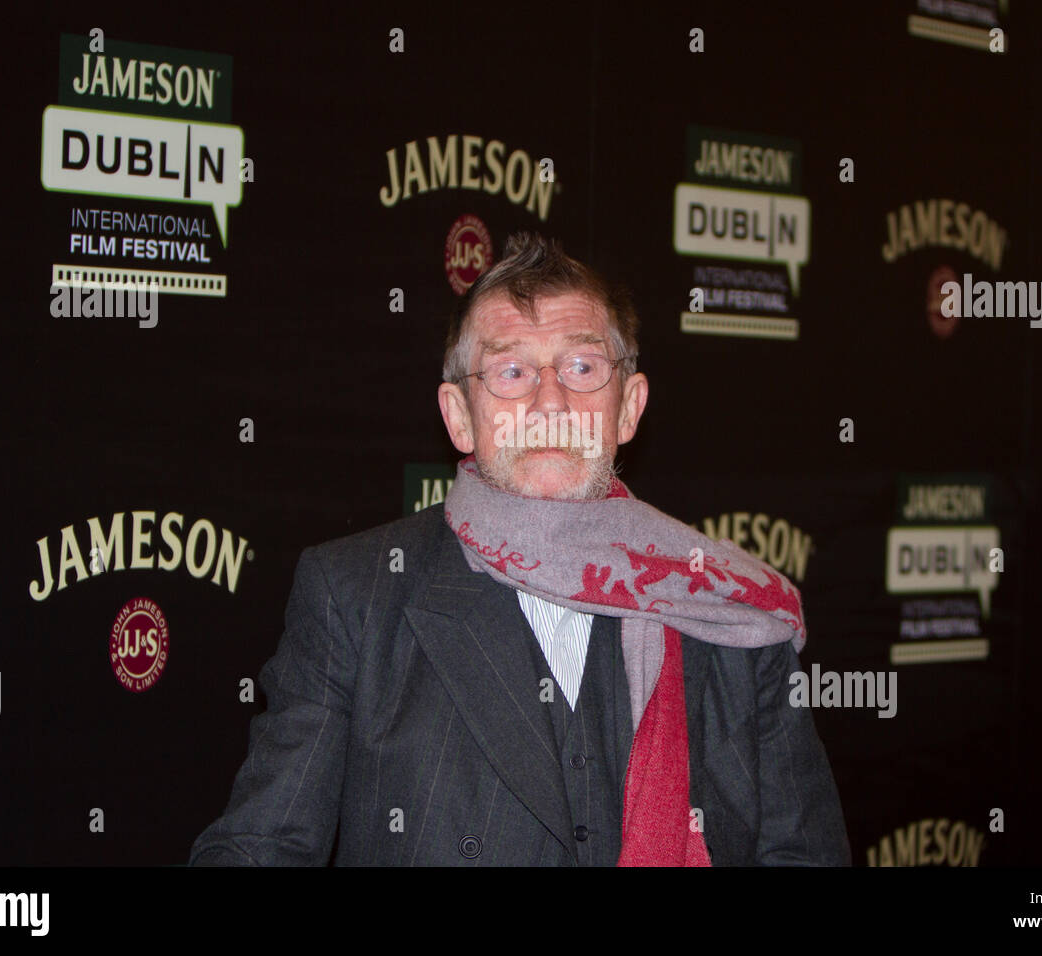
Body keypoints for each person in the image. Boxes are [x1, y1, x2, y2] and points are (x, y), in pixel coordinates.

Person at [190, 233, 850, 866]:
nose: (550, 401)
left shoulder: (731, 609)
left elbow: (800, 852)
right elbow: (260, 845)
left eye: (582, 367)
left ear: (630, 407)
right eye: (512, 371)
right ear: (457, 415)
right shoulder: (355, 596)